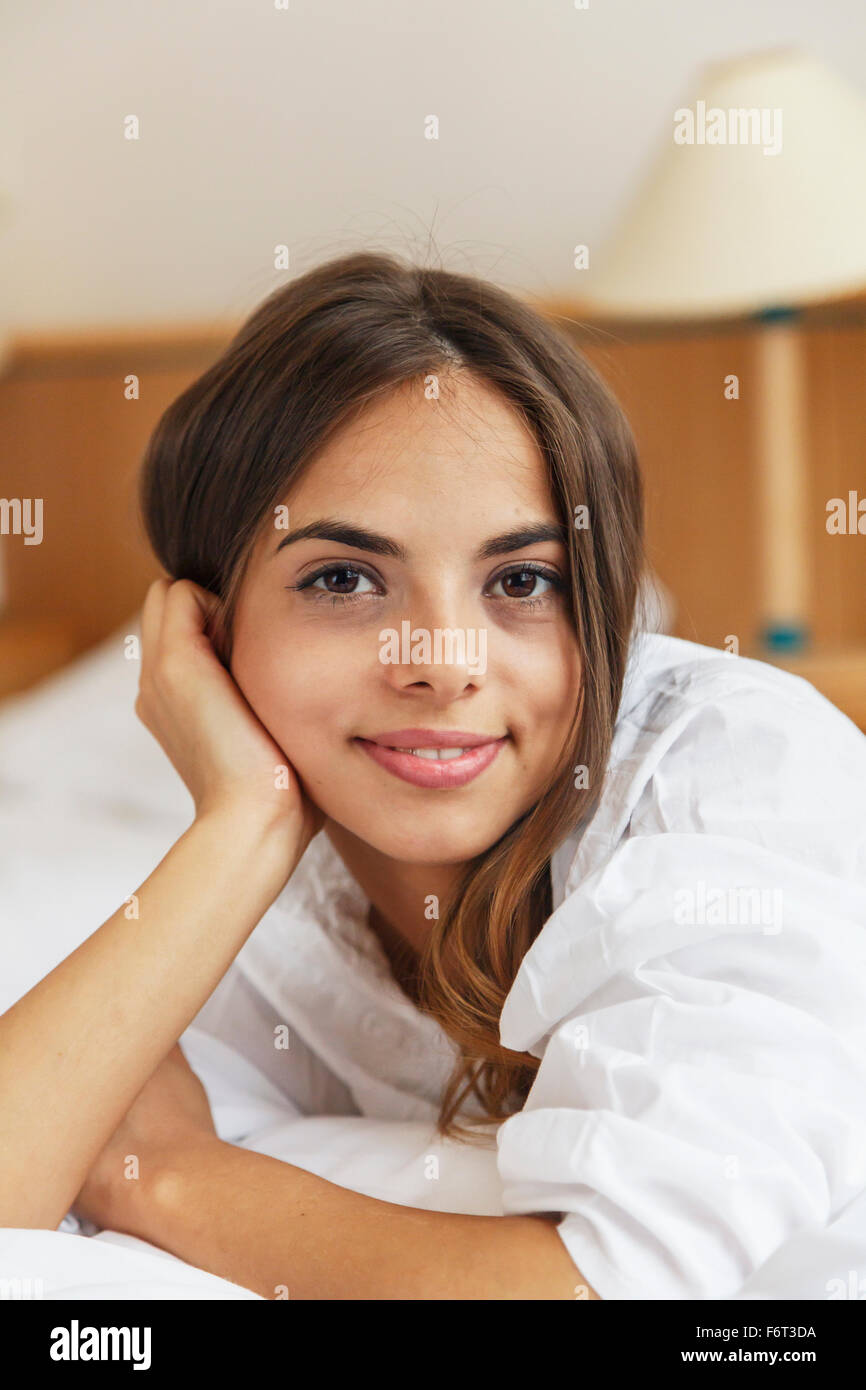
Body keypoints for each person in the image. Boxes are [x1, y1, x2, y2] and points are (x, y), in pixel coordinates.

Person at [1, 252, 865, 1301]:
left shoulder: (730, 783)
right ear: (209, 632)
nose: (443, 660)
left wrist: (178, 1184)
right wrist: (240, 823)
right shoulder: (290, 906)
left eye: (520, 580)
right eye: (343, 578)